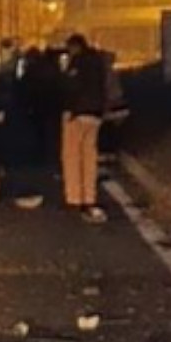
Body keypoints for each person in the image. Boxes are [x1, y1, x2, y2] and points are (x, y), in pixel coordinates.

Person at [60, 34, 108, 223]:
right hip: (95, 115)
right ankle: (90, 197)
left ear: (74, 47)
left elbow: (70, 87)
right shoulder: (99, 62)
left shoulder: (77, 63)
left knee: (72, 156)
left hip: (77, 114)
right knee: (89, 157)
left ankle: (74, 198)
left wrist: (68, 109)